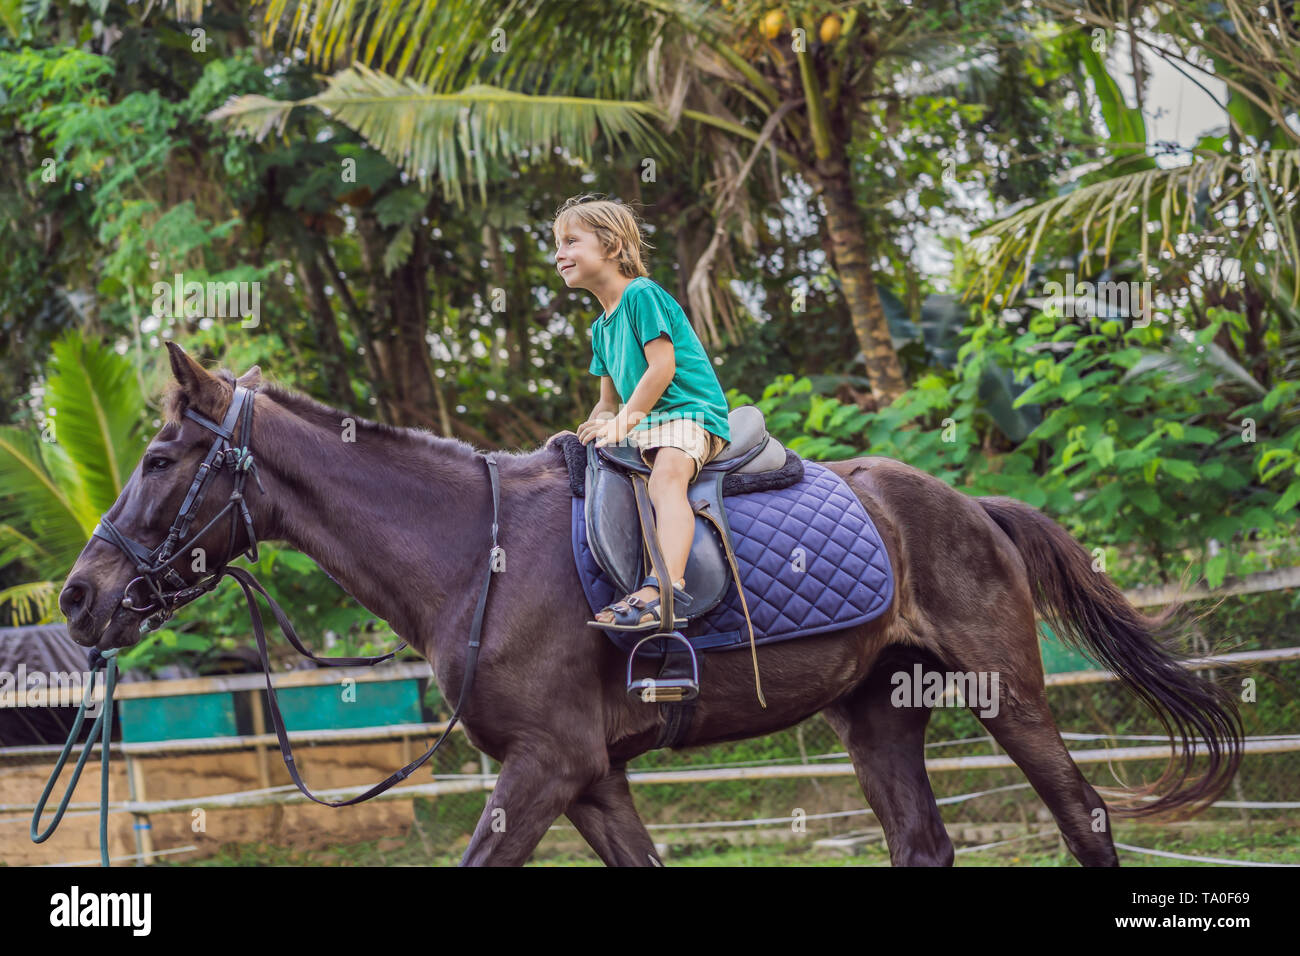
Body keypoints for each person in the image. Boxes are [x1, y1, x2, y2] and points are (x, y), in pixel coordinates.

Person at [553, 194, 731, 631]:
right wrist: (599, 423)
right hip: (647, 423)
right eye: (556, 245)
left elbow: (662, 368)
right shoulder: (600, 327)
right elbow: (607, 401)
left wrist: (625, 421)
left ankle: (664, 588)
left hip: (689, 415)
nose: (559, 254)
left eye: (571, 241)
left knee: (667, 476)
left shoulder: (642, 295)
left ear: (612, 246)